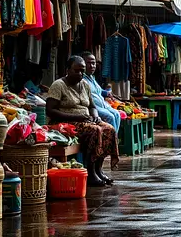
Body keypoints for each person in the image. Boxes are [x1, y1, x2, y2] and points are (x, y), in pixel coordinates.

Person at [46, 56, 120, 186]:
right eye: (77, 70)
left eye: (82, 71)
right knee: (94, 131)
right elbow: (50, 111)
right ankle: (90, 172)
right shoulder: (58, 85)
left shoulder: (85, 85)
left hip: (85, 120)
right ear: (68, 70)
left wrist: (95, 116)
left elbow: (92, 106)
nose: (80, 74)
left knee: (109, 130)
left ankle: (98, 169)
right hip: (65, 122)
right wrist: (76, 117)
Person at [81, 51, 123, 133]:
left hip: (103, 104)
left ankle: (114, 137)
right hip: (94, 107)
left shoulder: (92, 78)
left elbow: (99, 91)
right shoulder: (82, 79)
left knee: (117, 114)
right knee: (110, 117)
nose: (92, 66)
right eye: (88, 63)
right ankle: (111, 139)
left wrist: (107, 93)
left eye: (93, 63)